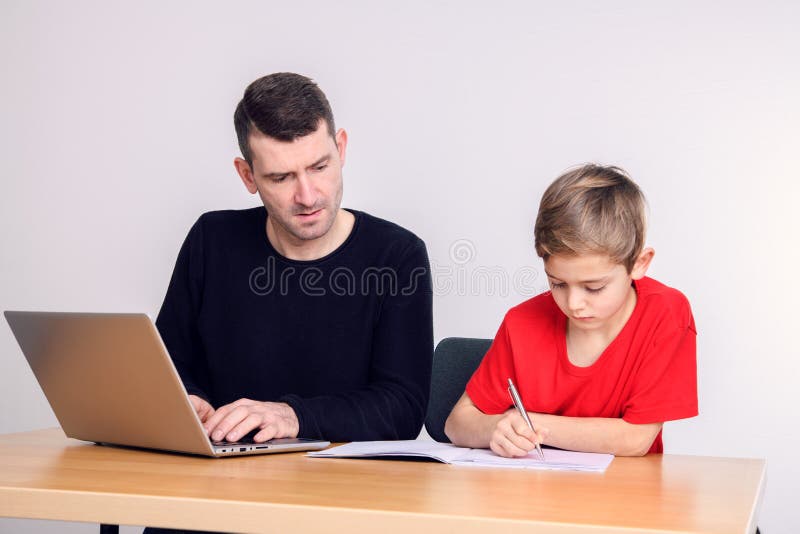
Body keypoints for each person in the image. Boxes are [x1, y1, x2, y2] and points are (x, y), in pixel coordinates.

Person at [156, 72, 433, 446]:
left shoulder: (397, 256)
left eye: (319, 167)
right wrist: (188, 400)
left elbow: (402, 408)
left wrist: (293, 416)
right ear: (247, 175)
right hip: (224, 479)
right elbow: (166, 365)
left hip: (343, 485)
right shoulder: (211, 240)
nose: (307, 195)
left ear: (342, 149)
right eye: (281, 177)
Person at [444, 164, 697, 457]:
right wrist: (496, 429)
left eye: (594, 287)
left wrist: (530, 424)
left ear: (639, 264)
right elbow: (456, 423)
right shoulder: (521, 322)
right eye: (558, 284)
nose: (574, 304)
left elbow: (635, 439)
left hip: (626, 498)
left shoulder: (666, 314)